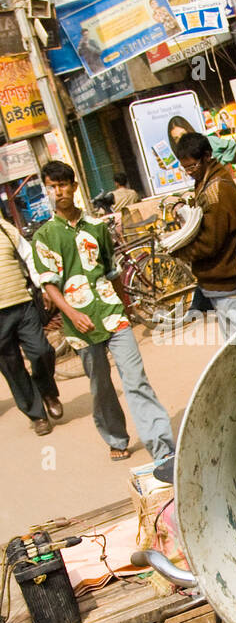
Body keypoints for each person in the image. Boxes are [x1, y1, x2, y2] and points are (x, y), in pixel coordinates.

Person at [32, 162, 175, 465]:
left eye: (63, 185)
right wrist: (71, 313)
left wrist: (128, 308)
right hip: (79, 324)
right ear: (48, 190)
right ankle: (115, 437)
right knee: (101, 385)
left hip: (113, 315)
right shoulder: (45, 236)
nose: (59, 192)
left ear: (73, 186)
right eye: (52, 186)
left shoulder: (96, 227)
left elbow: (112, 272)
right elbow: (50, 285)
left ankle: (163, 448)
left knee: (136, 380)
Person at [174, 132, 236, 333]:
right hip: (219, 282)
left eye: (192, 166)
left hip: (227, 280)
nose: (190, 172)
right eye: (185, 168)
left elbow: (210, 242)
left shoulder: (217, 190)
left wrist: (181, 251)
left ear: (207, 156)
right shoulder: (205, 181)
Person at [0, 215, 61, 436]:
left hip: (23, 304)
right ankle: (37, 415)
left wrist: (43, 287)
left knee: (41, 351)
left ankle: (46, 390)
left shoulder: (5, 229)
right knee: (11, 366)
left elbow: (29, 255)